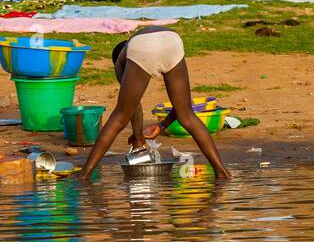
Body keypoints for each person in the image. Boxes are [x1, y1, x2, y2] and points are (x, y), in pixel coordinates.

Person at [78, 27, 233, 180]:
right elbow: (181, 107)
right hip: (171, 38)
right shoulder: (142, 39)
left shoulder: (122, 61)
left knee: (118, 117)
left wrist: (138, 138)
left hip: (143, 46)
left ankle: (84, 174)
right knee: (187, 115)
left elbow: (132, 107)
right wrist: (162, 126)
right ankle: (222, 172)